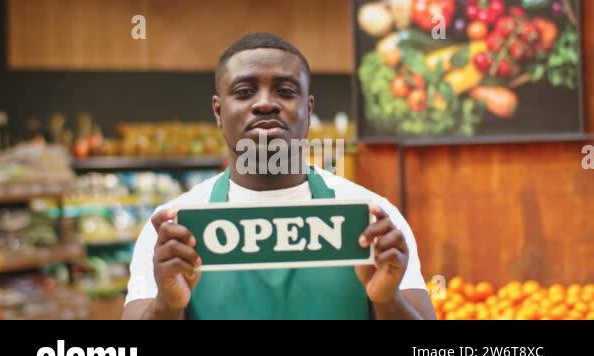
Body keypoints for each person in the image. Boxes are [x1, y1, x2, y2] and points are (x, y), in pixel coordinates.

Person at [122, 33, 436, 320]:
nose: (265, 104)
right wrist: (167, 304)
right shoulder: (172, 229)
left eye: (285, 91)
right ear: (218, 111)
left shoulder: (373, 218)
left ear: (308, 108)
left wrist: (388, 299)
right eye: (244, 92)